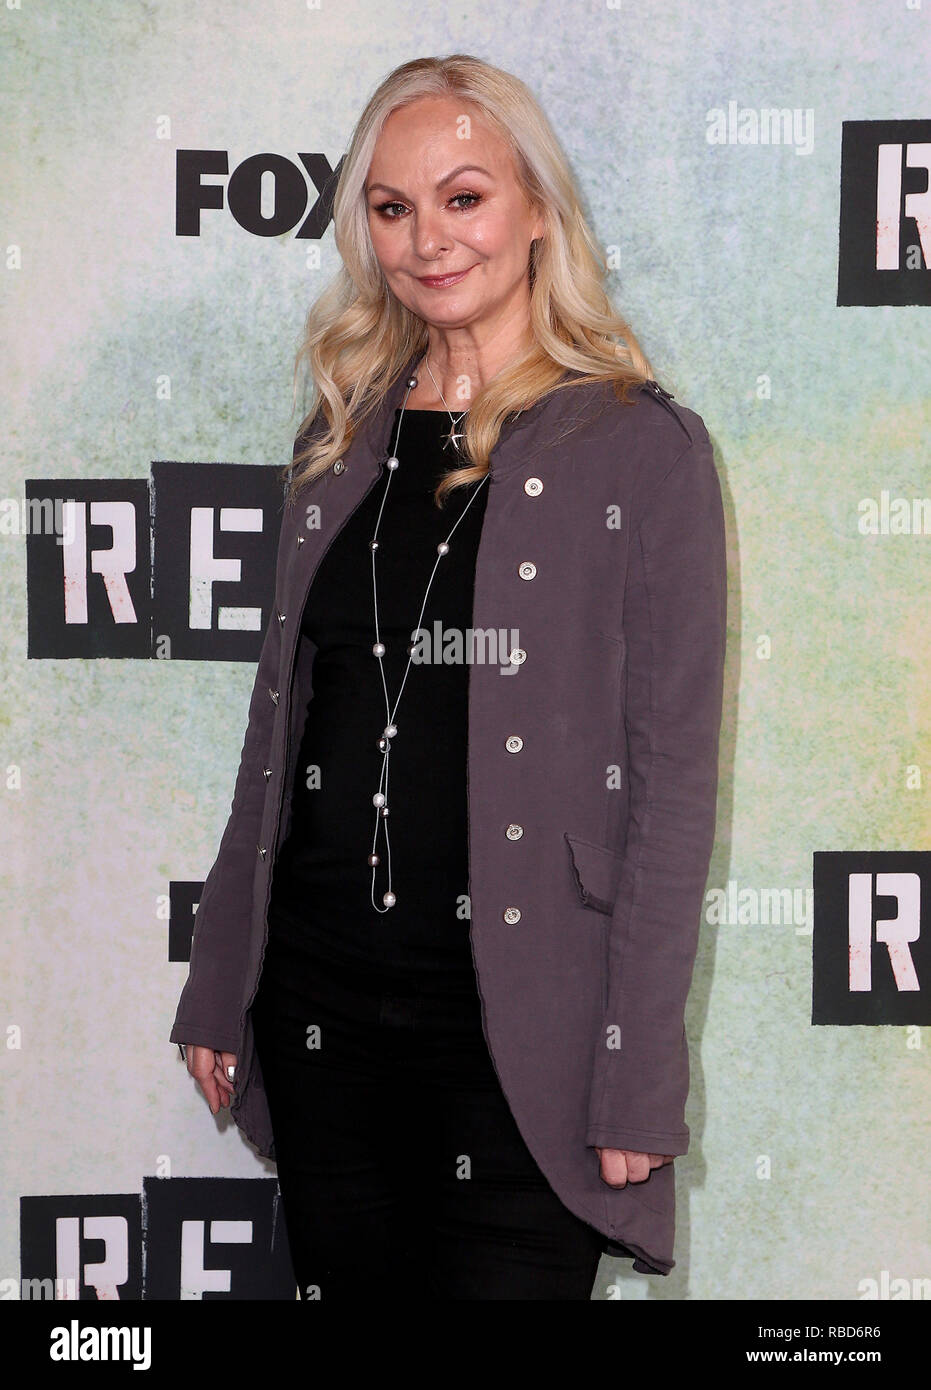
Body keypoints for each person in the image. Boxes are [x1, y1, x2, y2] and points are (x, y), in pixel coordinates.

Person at [171, 53, 727, 1301]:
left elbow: (673, 790)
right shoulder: (340, 431)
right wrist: (222, 975)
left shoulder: (640, 448)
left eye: (464, 197)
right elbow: (277, 737)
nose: (428, 239)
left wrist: (636, 1072)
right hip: (323, 1014)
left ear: (537, 209)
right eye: (391, 206)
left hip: (522, 1037)